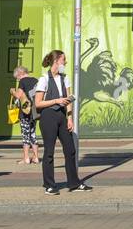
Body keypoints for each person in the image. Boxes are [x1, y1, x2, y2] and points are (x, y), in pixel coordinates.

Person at [31, 50, 92, 194]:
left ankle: (74, 183)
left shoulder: (65, 78)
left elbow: (69, 98)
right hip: (48, 116)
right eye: (63, 60)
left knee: (70, 149)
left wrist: (69, 117)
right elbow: (38, 103)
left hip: (62, 116)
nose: (65, 62)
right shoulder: (44, 79)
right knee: (49, 151)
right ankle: (49, 185)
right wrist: (56, 100)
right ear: (56, 61)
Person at [11, 66, 40, 165]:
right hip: (34, 112)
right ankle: (36, 157)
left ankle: (26, 158)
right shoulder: (36, 80)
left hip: (25, 112)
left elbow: (18, 95)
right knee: (33, 134)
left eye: (17, 78)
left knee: (25, 135)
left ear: (20, 74)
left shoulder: (23, 81)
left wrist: (13, 92)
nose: (18, 80)